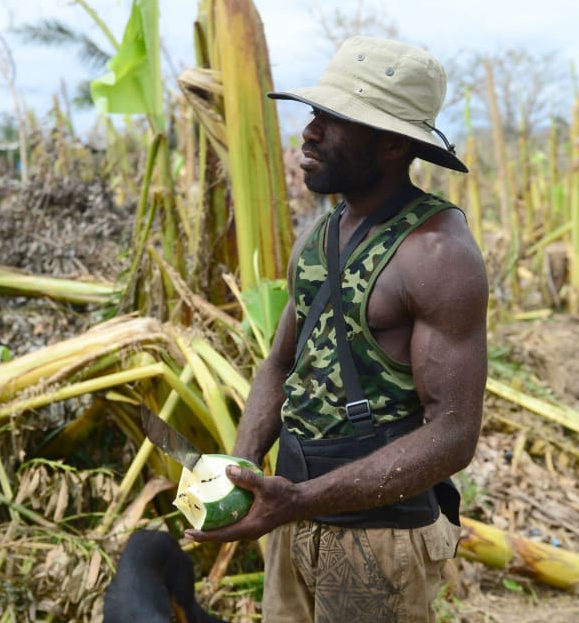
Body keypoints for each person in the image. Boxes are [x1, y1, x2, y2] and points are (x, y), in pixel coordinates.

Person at [187, 36, 488, 623]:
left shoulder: (436, 253)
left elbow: (453, 433)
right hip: (292, 519)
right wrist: (243, 468)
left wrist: (300, 499)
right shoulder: (321, 237)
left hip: (380, 540)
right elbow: (280, 364)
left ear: (394, 143)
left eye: (334, 119)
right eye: (314, 113)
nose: (309, 132)